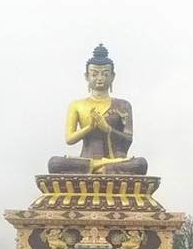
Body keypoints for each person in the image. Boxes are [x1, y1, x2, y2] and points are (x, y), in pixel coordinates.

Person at [48, 44, 147, 176]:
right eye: (94, 74)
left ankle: (96, 168)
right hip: (87, 159)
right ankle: (98, 166)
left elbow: (128, 139)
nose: (100, 78)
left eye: (105, 74)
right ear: (86, 76)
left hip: (116, 161)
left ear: (113, 76)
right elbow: (69, 139)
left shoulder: (123, 105)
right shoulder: (77, 105)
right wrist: (89, 127)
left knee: (140, 164)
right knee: (54, 163)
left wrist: (107, 129)